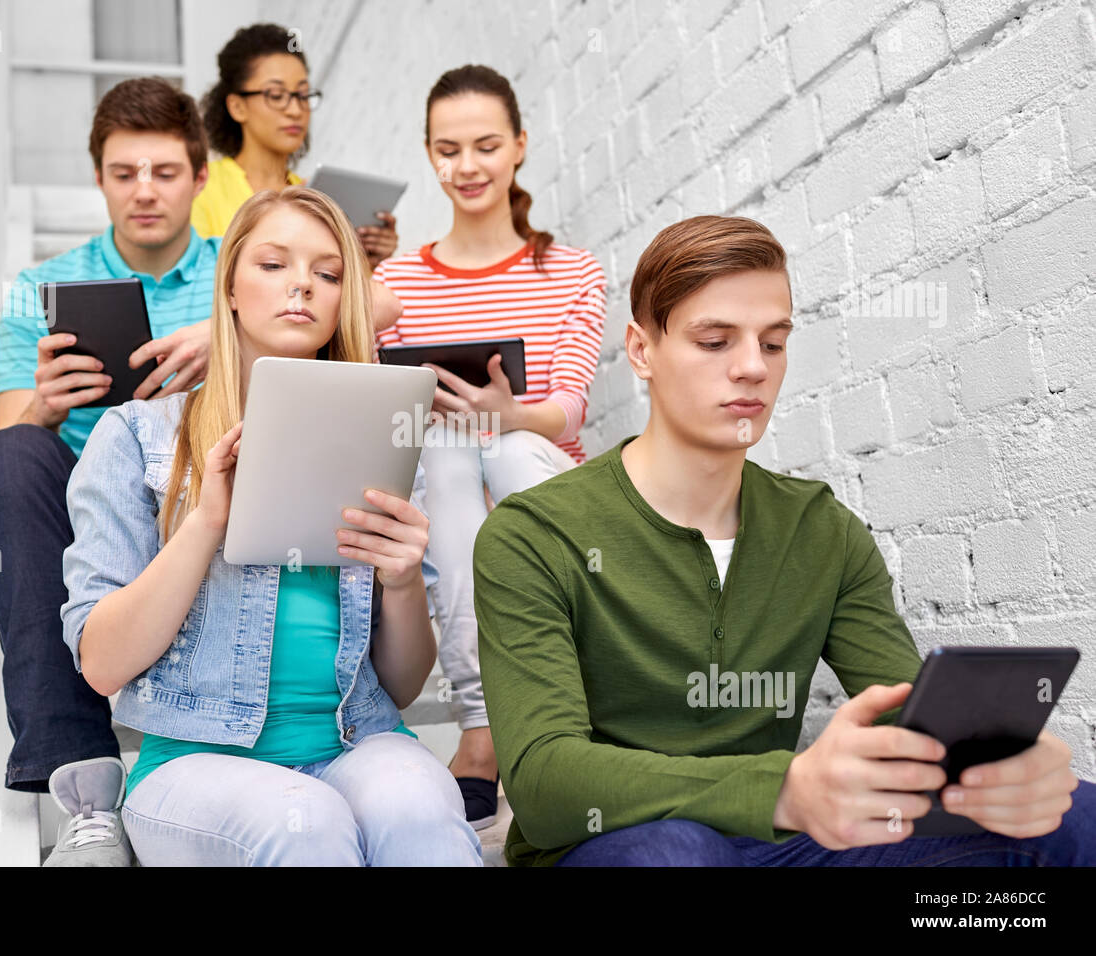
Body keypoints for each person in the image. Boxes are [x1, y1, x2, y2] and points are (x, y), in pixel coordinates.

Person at [473, 214, 1095, 866]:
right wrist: (785, 787)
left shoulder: (821, 531)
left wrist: (992, 763)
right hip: (624, 846)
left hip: (783, 843)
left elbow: (902, 719)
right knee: (675, 853)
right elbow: (542, 784)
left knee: (1073, 815)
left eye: (773, 344)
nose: (752, 368)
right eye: (715, 341)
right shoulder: (531, 536)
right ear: (640, 350)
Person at [60, 185, 482, 866]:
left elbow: (401, 687)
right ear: (229, 287)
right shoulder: (137, 437)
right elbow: (102, 664)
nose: (301, 288)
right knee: (305, 823)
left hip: (355, 738)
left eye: (327, 273)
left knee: (423, 812)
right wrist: (205, 523)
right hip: (192, 763)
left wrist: (402, 583)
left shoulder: (384, 439)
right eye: (273, 265)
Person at [0, 77, 225, 866]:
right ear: (100, 177)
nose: (143, 192)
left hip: (206, 488)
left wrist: (227, 330)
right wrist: (44, 403)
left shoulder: (243, 270)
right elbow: (15, 446)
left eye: (164, 172)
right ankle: (84, 782)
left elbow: (369, 300)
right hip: (95, 511)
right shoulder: (40, 290)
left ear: (200, 176)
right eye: (123, 173)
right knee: (6, 451)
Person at [372, 64, 606, 828]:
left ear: (519, 147)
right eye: (447, 150)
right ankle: (483, 726)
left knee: (493, 449)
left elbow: (567, 416)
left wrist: (506, 415)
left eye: (484, 146)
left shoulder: (572, 272)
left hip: (538, 480)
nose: (466, 167)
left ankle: (494, 726)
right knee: (442, 448)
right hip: (444, 485)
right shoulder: (398, 280)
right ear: (429, 154)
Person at [192, 22, 401, 319]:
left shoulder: (317, 195)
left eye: (302, 95)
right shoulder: (201, 188)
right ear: (237, 106)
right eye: (276, 95)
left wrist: (364, 259)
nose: (294, 110)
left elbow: (337, 303)